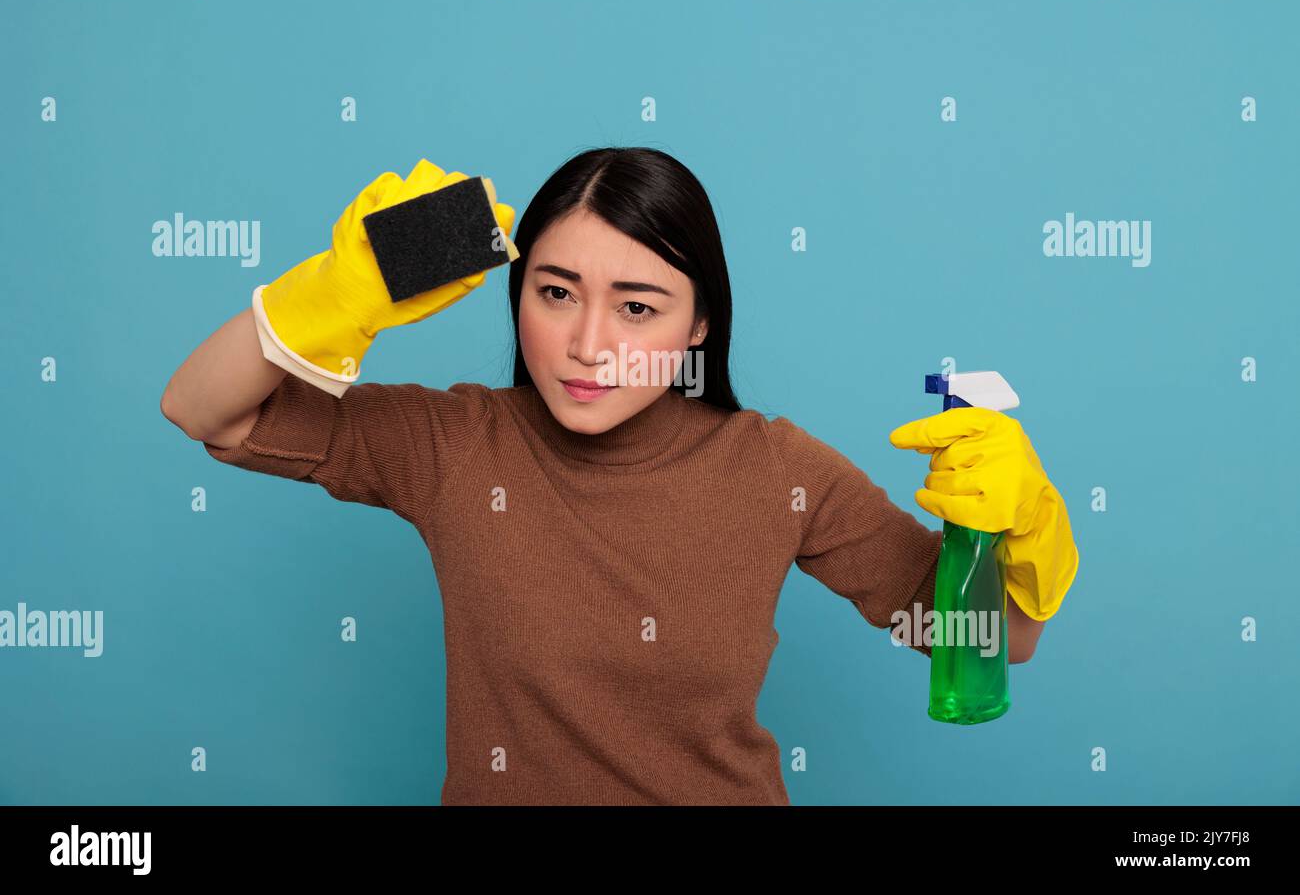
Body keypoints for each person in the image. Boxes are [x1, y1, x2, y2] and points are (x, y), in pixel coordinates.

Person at [160, 147, 1077, 805]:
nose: (588, 345)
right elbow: (209, 412)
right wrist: (333, 295)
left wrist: (1019, 530)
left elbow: (997, 641)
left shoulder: (777, 469)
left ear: (699, 328)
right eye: (555, 293)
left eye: (637, 307)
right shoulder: (455, 442)